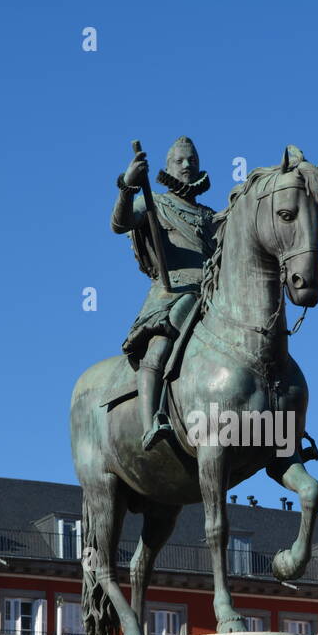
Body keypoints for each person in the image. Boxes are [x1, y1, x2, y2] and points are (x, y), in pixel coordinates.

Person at [111, 136, 216, 449]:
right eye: (180, 161)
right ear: (168, 166)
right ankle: (151, 421)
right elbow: (120, 223)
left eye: (192, 160)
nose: (187, 166)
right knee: (160, 347)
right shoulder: (154, 202)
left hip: (214, 294)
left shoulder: (211, 216)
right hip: (173, 293)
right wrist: (127, 187)